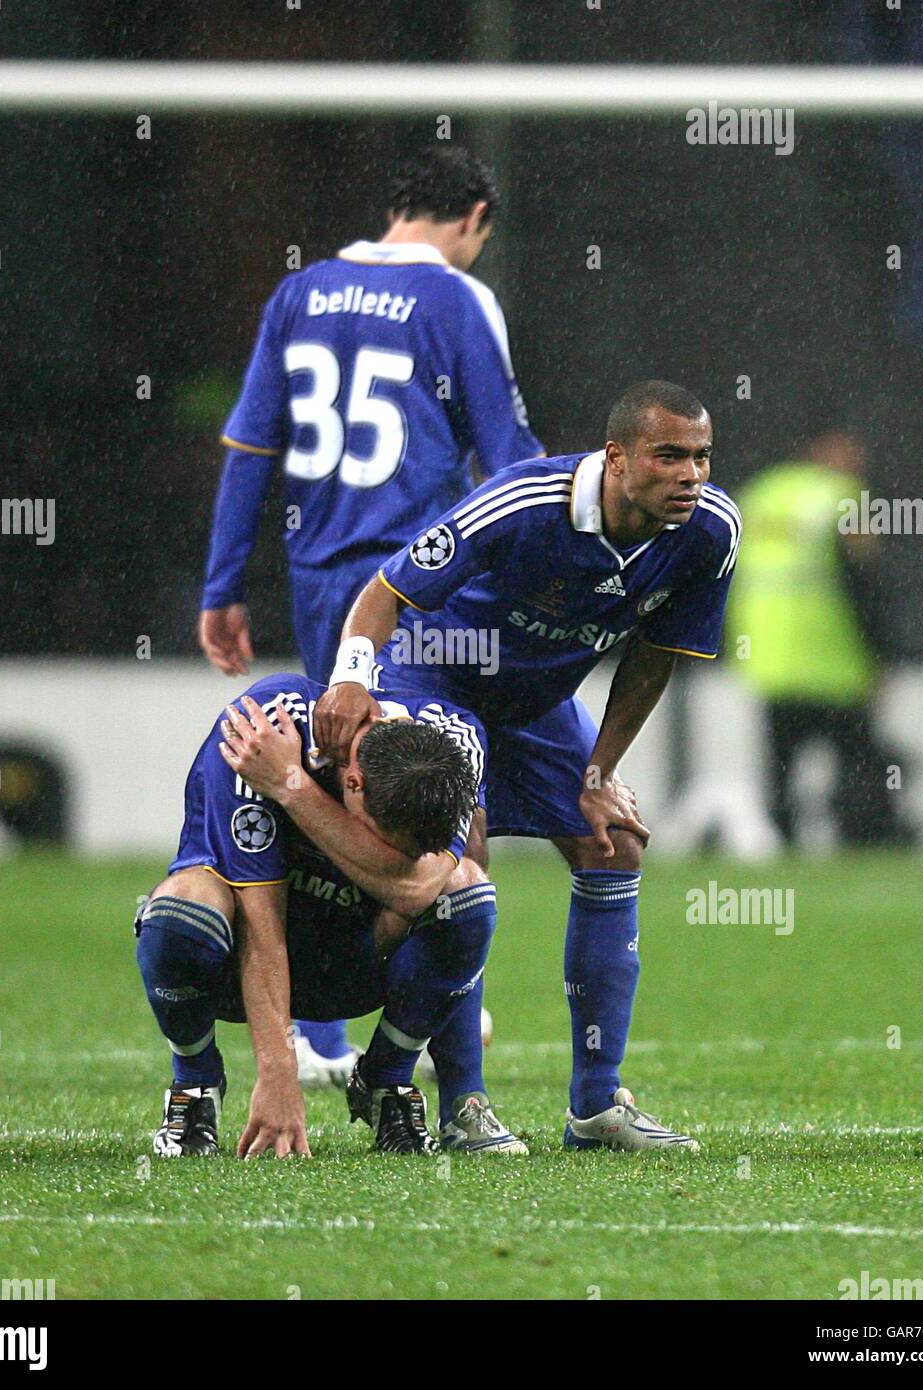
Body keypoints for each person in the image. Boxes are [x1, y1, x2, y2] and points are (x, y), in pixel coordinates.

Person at [315, 380, 742, 1152]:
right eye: (668, 455)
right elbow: (386, 589)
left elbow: (653, 657)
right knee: (462, 852)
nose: (690, 474)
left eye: (702, 456)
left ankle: (595, 1105)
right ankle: (462, 1109)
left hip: (535, 700)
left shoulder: (709, 531)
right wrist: (350, 676)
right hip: (436, 671)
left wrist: (599, 771)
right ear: (615, 458)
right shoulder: (522, 500)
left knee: (613, 840)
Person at [197, 144, 543, 1083]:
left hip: (318, 575)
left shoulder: (301, 291)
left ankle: (318, 1029)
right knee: (436, 777)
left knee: (338, 771)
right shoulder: (455, 300)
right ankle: (441, 1026)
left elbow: (248, 444)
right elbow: (508, 457)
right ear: (472, 217)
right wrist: (551, 559)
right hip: (414, 580)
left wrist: (222, 583)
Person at [135, 674, 526, 1158]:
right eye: (390, 846)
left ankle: (387, 1081)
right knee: (184, 905)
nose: (393, 857)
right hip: (240, 967)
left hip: (361, 963)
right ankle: (195, 1086)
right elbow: (262, 923)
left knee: (466, 892)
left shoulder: (453, 742)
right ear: (354, 783)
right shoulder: (258, 731)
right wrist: (278, 1074)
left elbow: (419, 887)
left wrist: (292, 788)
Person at [727, 431, 913, 845]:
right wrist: (882, 652)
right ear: (824, 449)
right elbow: (865, 584)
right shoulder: (843, 496)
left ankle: (783, 847)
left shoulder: (762, 493)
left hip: (771, 660)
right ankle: (859, 843)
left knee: (780, 769)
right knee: (857, 766)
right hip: (836, 661)